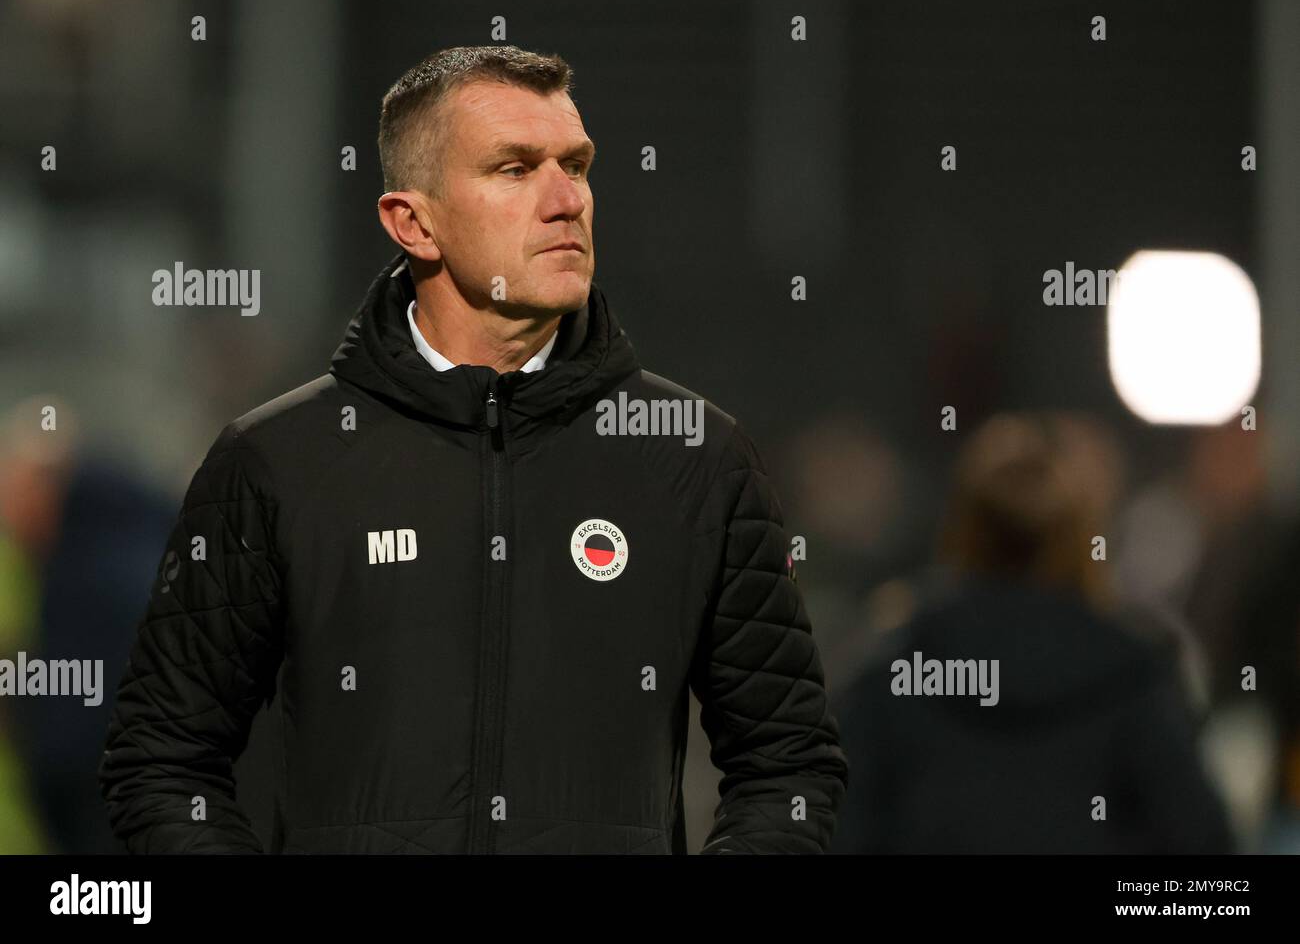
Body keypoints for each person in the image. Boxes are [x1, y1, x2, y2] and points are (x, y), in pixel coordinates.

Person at [98, 45, 847, 854]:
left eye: (577, 165)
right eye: (515, 169)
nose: (566, 200)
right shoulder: (277, 462)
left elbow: (788, 767)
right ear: (413, 222)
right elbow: (162, 763)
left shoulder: (697, 459)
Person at [831, 412, 1233, 853]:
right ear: (1080, 535)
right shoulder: (1135, 673)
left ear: (964, 528)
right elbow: (1201, 845)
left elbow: (841, 831)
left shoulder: (893, 669)